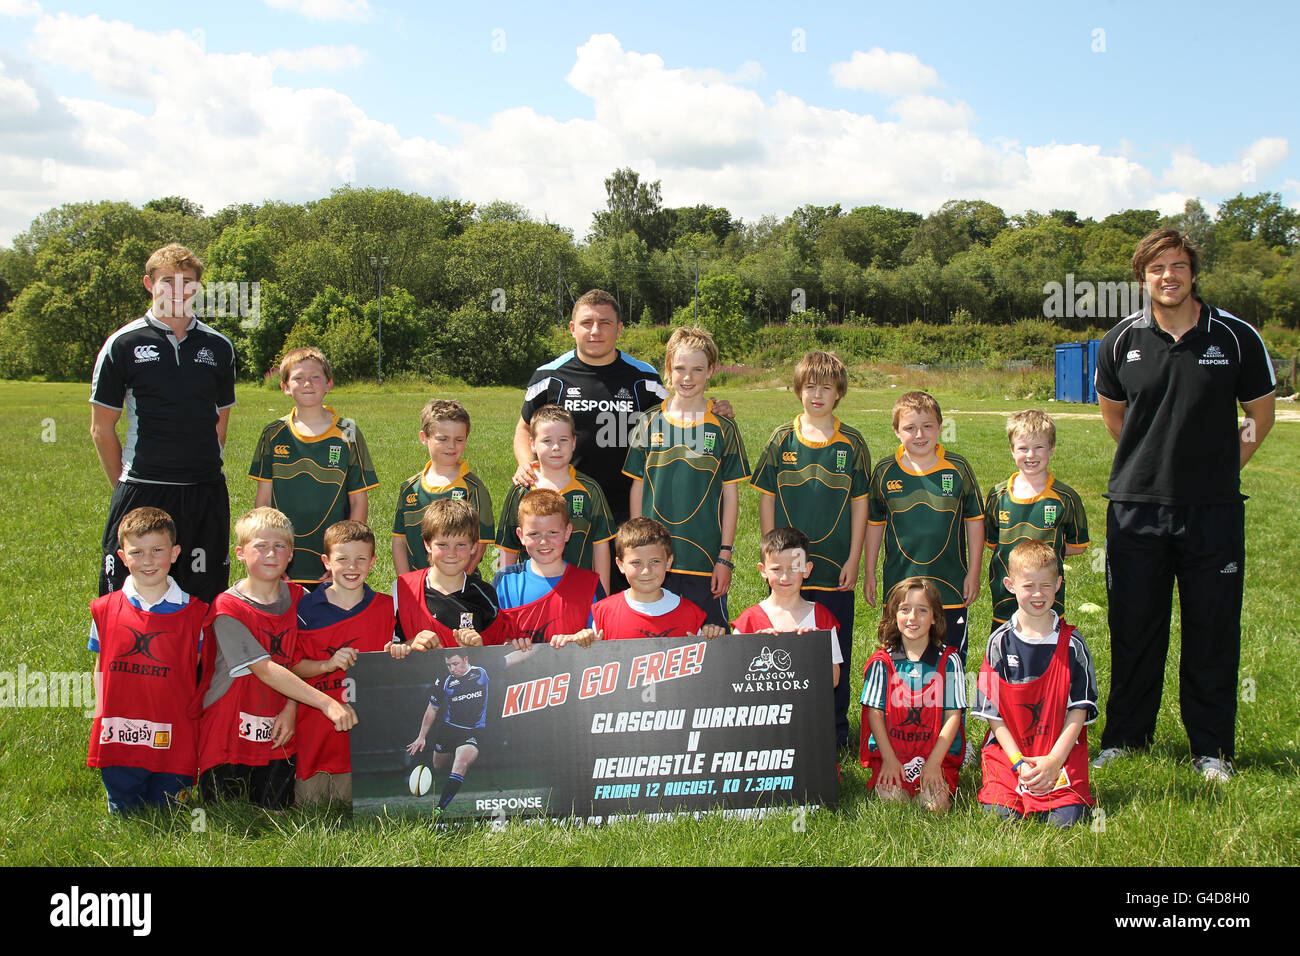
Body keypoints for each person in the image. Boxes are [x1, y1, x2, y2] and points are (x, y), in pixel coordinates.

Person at [1093, 229, 1276, 782]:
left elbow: (1259, 416)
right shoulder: (1121, 340)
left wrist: (1220, 469)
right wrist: (1151, 470)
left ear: (1193, 272)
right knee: (1134, 627)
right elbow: (1115, 417)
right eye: (1156, 269)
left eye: (1177, 266)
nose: (1167, 276)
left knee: (1211, 630)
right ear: (1142, 277)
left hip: (1213, 512)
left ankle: (1212, 748)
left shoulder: (1237, 337)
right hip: (1135, 510)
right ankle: (1126, 737)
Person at [90, 243, 236, 603]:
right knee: (127, 599)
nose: (177, 290)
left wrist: (202, 469)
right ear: (148, 283)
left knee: (204, 598)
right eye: (167, 280)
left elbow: (220, 421)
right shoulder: (122, 344)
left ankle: (197, 662)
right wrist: (125, 486)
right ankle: (119, 661)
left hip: (204, 491)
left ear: (197, 289)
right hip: (144, 487)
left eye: (187, 282)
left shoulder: (219, 347)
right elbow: (101, 428)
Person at [197, 508, 357, 810]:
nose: (271, 554)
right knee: (225, 814)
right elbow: (266, 669)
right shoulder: (227, 607)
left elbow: (298, 661)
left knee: (276, 811)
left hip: (278, 729)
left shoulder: (300, 599)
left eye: (280, 546)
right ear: (241, 553)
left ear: (291, 554)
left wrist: (291, 707)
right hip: (229, 730)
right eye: (260, 546)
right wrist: (326, 703)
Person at [751, 350, 870, 747]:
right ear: (798, 390)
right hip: (787, 569)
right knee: (783, 644)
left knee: (835, 648)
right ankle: (783, 724)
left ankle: (834, 729)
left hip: (835, 564)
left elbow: (860, 505)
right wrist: (773, 557)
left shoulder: (852, 442)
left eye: (827, 387)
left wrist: (854, 558)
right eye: (810, 387)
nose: (817, 395)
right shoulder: (781, 438)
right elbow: (766, 498)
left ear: (839, 393)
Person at [623, 327, 750, 627]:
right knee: (655, 640)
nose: (688, 377)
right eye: (680, 368)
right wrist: (635, 546)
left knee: (710, 644)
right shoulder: (649, 421)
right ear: (668, 369)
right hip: (653, 561)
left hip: (705, 560)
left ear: (711, 371)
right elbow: (637, 487)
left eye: (697, 369)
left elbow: (731, 496)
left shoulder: (723, 428)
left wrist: (725, 556)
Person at [87, 507, 208, 813]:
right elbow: (100, 667)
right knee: (125, 815)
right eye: (137, 552)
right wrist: (99, 712)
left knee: (171, 813)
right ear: (122, 557)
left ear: (175, 552)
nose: (148, 560)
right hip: (120, 736)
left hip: (173, 736)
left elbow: (194, 671)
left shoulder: (196, 614)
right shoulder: (105, 609)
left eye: (157, 550)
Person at [512, 290, 668, 526]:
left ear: (619, 329)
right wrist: (526, 463)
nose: (595, 331)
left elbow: (675, 422)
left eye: (605, 323)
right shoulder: (549, 376)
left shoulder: (645, 377)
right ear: (573, 328)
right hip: (562, 503)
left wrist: (712, 408)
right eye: (587, 323)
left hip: (629, 505)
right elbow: (524, 430)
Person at [973, 540, 1097, 827]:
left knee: (1066, 822)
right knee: (999, 818)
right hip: (1010, 753)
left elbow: (1079, 710)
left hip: (1058, 753)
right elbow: (992, 713)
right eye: (1028, 586)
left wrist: (1054, 761)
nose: (1037, 594)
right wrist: (1018, 762)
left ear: (1059, 584)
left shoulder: (1073, 645)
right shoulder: (998, 643)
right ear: (1010, 585)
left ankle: (1060, 789)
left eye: (1046, 585)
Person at [864, 391, 983, 662]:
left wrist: (973, 571)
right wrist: (869, 572)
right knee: (899, 665)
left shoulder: (958, 468)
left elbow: (974, 521)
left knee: (949, 664)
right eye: (910, 428)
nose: (920, 434)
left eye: (927, 426)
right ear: (896, 431)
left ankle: (947, 706)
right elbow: (874, 524)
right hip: (900, 589)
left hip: (949, 589)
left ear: (940, 428)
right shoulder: (885, 471)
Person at [249, 347, 378, 588]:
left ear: (329, 384)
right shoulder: (273, 433)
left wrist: (348, 555)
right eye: (298, 377)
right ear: (285, 387)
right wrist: (270, 554)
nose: (307, 383)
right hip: (283, 559)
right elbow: (263, 500)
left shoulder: (348, 431)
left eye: (315, 377)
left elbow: (359, 501)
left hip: (333, 561)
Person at [290, 521, 396, 806]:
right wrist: (327, 665)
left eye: (361, 558)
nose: (352, 566)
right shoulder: (305, 609)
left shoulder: (386, 608)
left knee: (365, 807)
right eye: (342, 559)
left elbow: (398, 666)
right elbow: (292, 668)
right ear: (326, 561)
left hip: (366, 739)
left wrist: (397, 653)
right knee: (311, 807)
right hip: (316, 734)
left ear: (373, 562)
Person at [859, 577, 965, 812]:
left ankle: (937, 778)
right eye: (905, 610)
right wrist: (888, 759)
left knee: (934, 806)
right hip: (894, 753)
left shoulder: (949, 661)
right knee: (891, 801)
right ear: (894, 616)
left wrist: (935, 763)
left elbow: (953, 716)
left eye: (922, 610)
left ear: (935, 617)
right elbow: (874, 715)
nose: (912, 618)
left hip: (934, 756)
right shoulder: (882, 663)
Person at [983, 409, 1089, 630]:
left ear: (1051, 448)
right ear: (1012, 450)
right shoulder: (998, 495)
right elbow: (993, 542)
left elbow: (1077, 546)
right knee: (1005, 653)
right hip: (1005, 598)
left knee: (1048, 654)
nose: (1031, 455)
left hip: (1048, 600)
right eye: (1023, 448)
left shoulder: (1066, 498)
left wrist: (1045, 554)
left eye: (1039, 447)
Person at [496, 405, 615, 594]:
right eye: (547, 441)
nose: (556, 447)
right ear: (532, 444)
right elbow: (508, 546)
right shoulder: (521, 489)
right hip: (530, 592)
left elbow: (600, 546)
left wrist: (603, 596)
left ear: (574, 442)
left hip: (579, 593)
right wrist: (503, 593)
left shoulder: (590, 489)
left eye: (563, 440)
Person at [394, 499, 521, 651]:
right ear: (427, 545)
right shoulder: (404, 589)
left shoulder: (484, 595)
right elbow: (385, 651)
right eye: (442, 545)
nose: (452, 554)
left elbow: (499, 654)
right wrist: (410, 646)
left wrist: (478, 649)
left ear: (473, 547)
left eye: (460, 545)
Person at [733, 527, 842, 690]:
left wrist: (816, 648)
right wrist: (753, 648)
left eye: (794, 568)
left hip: (809, 713)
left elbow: (834, 680)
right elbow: (733, 677)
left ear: (807, 569)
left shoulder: (822, 618)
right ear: (763, 570)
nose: (785, 577)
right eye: (776, 569)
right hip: (764, 713)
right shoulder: (749, 621)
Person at [392, 400, 493, 576]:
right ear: (424, 438)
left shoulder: (474, 489)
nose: (451, 446)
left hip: (459, 589)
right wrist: (406, 583)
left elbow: (480, 546)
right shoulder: (409, 489)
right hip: (417, 588)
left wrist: (456, 584)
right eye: (443, 439)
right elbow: (399, 542)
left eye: (459, 439)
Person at [493, 489, 604, 646]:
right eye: (534, 534)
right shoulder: (505, 581)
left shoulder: (589, 584)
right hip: (518, 670)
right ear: (520, 536)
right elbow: (488, 636)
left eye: (553, 532)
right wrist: (507, 644)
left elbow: (604, 636)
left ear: (567, 532)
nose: (544, 541)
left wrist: (586, 638)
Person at [590, 518, 727, 642]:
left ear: (668, 562)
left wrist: (711, 641)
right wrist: (584, 644)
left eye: (655, 561)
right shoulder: (604, 613)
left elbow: (706, 665)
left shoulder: (691, 614)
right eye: (636, 563)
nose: (646, 571)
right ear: (620, 565)